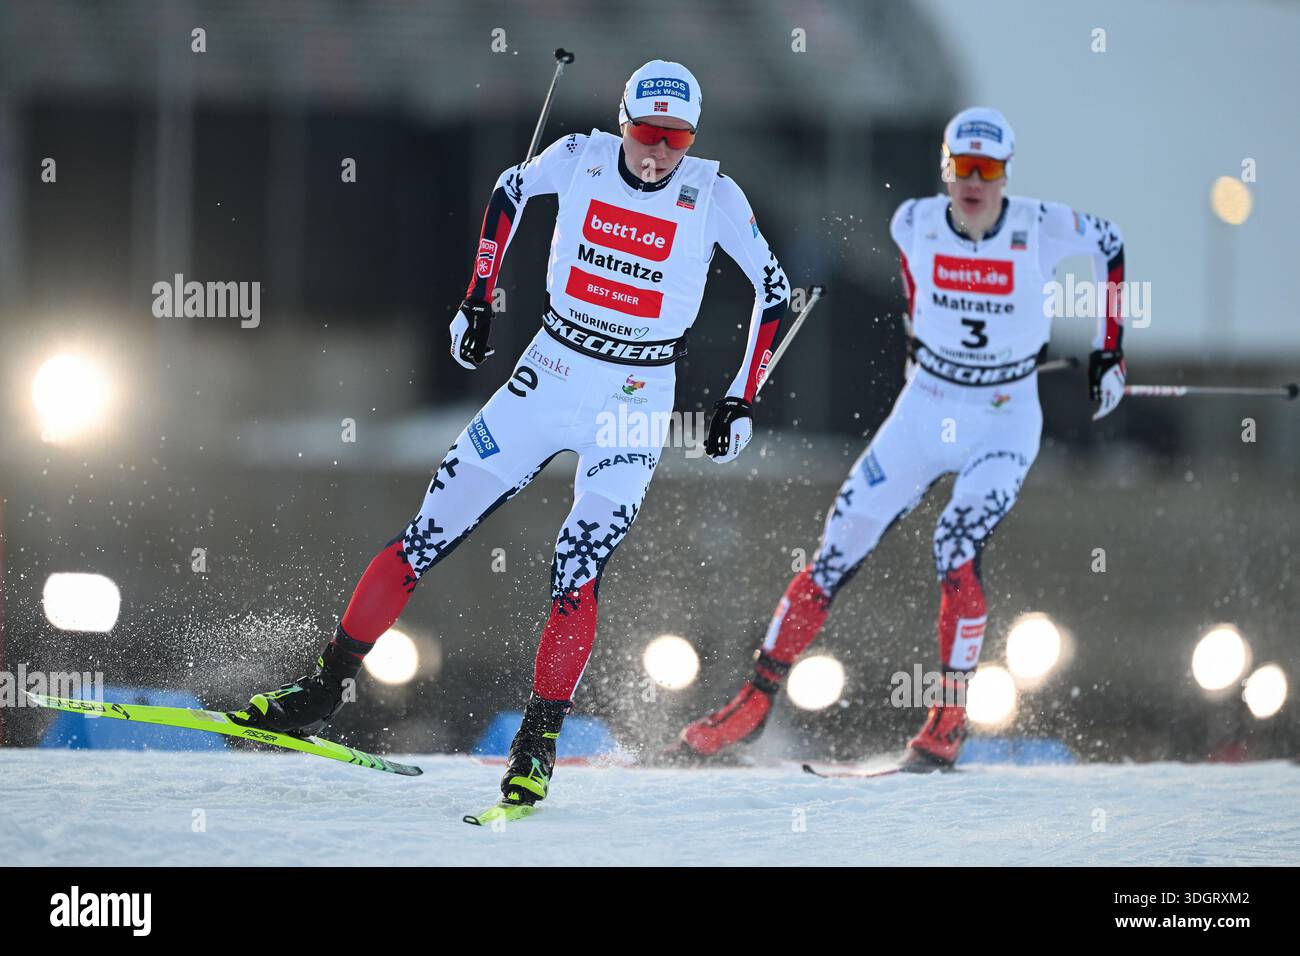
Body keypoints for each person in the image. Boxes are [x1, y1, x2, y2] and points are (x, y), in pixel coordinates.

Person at [240, 60, 791, 808]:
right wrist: (476, 301)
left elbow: (776, 290)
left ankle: (536, 745)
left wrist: (739, 400)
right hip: (548, 373)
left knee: (577, 563)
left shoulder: (713, 195)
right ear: (623, 121)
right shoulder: (581, 155)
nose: (659, 151)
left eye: (677, 138)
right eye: (646, 132)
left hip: (633, 398)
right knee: (427, 534)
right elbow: (509, 189)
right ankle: (323, 687)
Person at [679, 107, 1127, 770]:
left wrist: (1108, 350)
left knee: (956, 542)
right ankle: (752, 702)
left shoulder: (1037, 225)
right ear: (946, 169)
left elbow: (1110, 242)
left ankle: (946, 724)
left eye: (989, 170)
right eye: (963, 168)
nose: (974, 182)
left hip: (1002, 418)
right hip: (925, 407)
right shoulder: (913, 221)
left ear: (1005, 174)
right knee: (838, 544)